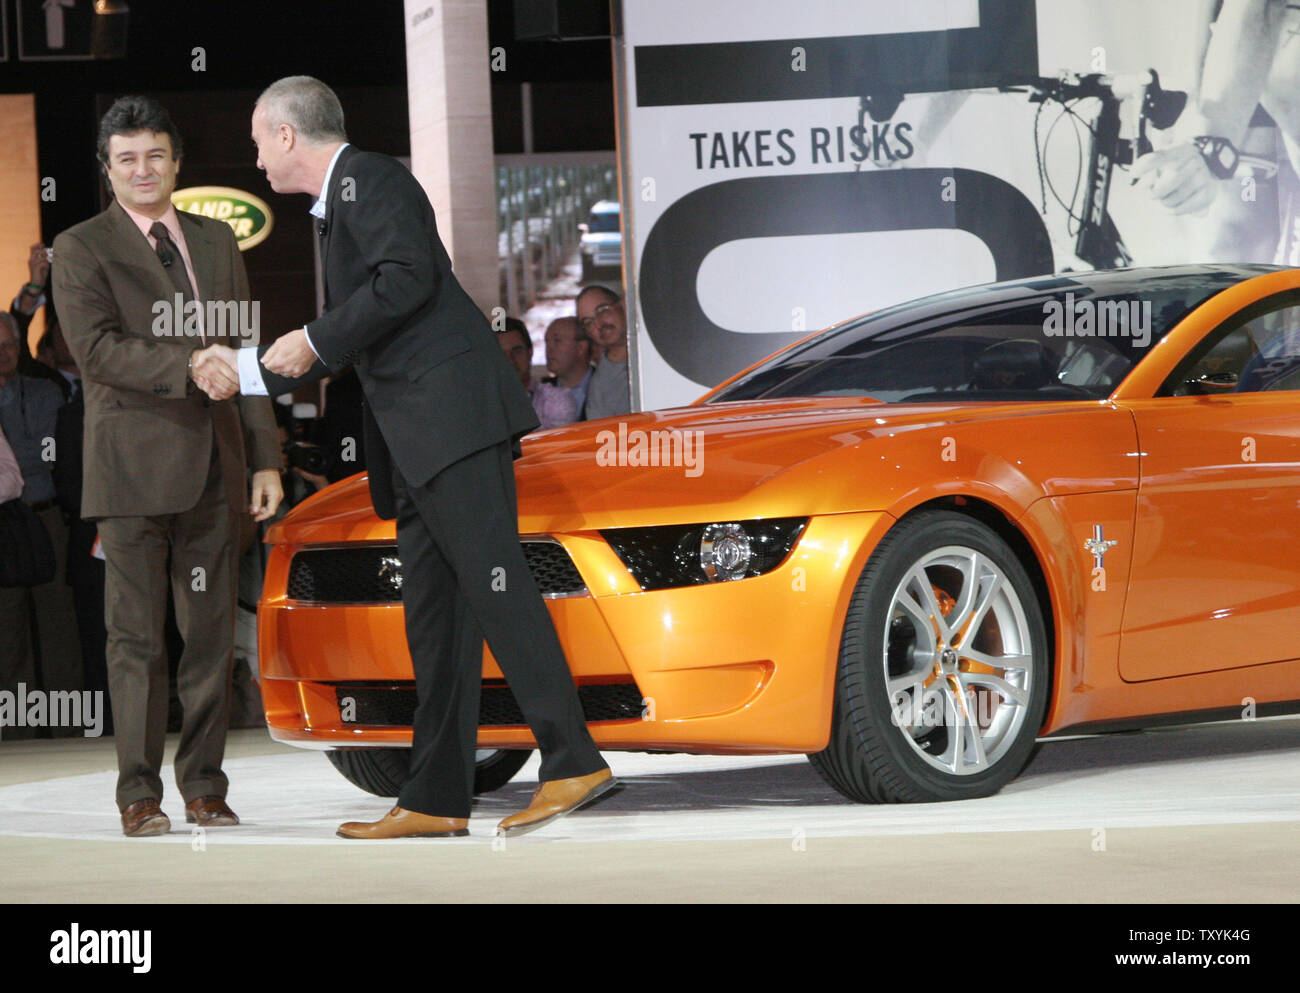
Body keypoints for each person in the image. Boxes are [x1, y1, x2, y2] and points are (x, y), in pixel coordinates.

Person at [220, 75, 615, 838]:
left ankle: (573, 761)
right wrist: (253, 366)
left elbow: (407, 280)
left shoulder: (370, 177)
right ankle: (436, 796)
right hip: (423, 439)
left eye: (259, 141)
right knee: (436, 619)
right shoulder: (340, 205)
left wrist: (315, 337)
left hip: (453, 423)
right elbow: (366, 315)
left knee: (498, 586)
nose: (258, 159)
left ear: (288, 135)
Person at [51, 95, 282, 837]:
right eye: (127, 159)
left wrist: (265, 457)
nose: (143, 169)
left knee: (210, 636)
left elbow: (243, 356)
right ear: (108, 168)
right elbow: (96, 351)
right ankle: (138, 794)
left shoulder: (217, 242)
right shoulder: (82, 246)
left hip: (217, 468)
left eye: (155, 155)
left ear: (176, 161)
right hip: (129, 475)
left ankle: (205, 787)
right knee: (137, 641)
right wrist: (191, 365)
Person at [0, 311, 80, 733]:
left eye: (9, 345)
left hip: (47, 518)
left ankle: (67, 726)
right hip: (3, 523)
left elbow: (51, 454)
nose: (2, 354)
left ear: (21, 347)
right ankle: (17, 729)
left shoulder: (44, 392)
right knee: (7, 628)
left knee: (58, 622)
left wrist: (16, 462)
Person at [575, 285, 632, 420]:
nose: (598, 325)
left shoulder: (658, 347)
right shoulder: (599, 388)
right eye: (588, 322)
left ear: (623, 305)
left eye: (603, 311)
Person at [538, 316, 592, 425]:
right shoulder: (539, 394)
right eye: (547, 342)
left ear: (581, 347)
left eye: (557, 341)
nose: (549, 349)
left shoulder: (607, 385)